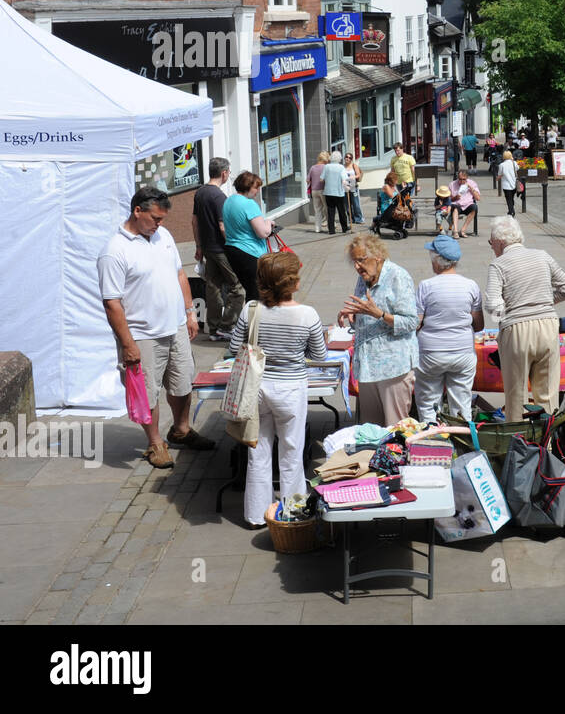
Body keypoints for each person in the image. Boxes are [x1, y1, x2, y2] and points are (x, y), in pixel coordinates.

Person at [98, 186, 213, 470]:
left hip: (174, 326)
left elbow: (179, 273)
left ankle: (181, 430)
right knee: (147, 392)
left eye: (162, 219)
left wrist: (190, 312)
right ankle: (155, 443)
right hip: (142, 334)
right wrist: (127, 343)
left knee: (182, 381)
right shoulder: (114, 251)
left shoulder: (163, 236)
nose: (159, 224)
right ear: (138, 211)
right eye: (155, 219)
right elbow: (112, 303)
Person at [228, 251, 326, 529]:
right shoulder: (307, 314)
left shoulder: (251, 310)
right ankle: (292, 511)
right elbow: (318, 355)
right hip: (290, 388)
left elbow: (235, 348)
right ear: (293, 282)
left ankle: (256, 514)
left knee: (257, 451)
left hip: (257, 388)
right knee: (291, 451)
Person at [484, 216, 565, 421]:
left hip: (516, 329)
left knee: (516, 395)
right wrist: (544, 302)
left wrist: (507, 313)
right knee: (547, 395)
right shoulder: (542, 256)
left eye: (491, 243)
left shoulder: (498, 264)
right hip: (547, 326)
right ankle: (547, 444)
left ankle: (519, 445)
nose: (492, 248)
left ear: (499, 242)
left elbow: (492, 305)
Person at [339, 234, 419, 426]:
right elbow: (364, 312)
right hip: (367, 366)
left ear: (378, 256)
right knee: (370, 430)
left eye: (361, 260)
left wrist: (380, 314)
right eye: (354, 262)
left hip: (393, 367)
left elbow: (411, 322)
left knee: (395, 429)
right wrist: (352, 315)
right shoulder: (365, 278)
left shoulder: (398, 276)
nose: (357, 267)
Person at [414, 235, 483, 420]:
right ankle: (463, 442)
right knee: (462, 404)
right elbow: (479, 325)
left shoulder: (425, 286)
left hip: (430, 353)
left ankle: (432, 442)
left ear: (436, 259)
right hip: (462, 352)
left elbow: (416, 323)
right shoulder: (471, 286)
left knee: (428, 403)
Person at [192, 157, 244, 341]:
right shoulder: (219, 197)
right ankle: (227, 325)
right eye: (228, 172)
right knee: (238, 288)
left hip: (207, 247)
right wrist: (233, 246)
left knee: (212, 287)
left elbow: (195, 221)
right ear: (223, 173)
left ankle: (213, 329)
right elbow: (223, 227)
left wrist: (198, 245)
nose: (228, 175)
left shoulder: (200, 193)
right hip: (221, 249)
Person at [222, 172, 274, 302]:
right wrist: (268, 223)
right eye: (256, 187)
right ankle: (253, 321)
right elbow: (263, 232)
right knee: (257, 294)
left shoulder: (229, 200)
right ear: (247, 186)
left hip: (233, 250)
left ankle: (250, 320)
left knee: (249, 290)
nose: (257, 191)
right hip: (250, 252)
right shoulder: (249, 204)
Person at [372, 172, 409, 240]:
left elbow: (399, 196)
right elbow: (392, 196)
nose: (397, 181)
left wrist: (403, 188)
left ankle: (402, 226)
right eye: (396, 180)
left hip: (393, 206)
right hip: (387, 208)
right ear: (391, 180)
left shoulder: (394, 186)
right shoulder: (386, 186)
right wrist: (400, 190)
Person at [322, 151, 350, 235]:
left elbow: (321, 178)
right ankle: (344, 228)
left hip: (328, 192)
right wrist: (347, 187)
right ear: (339, 158)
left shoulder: (326, 166)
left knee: (330, 211)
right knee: (341, 211)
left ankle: (331, 230)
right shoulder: (341, 167)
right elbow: (344, 179)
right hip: (339, 192)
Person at [450, 167, 481, 239]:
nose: (461, 181)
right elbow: (448, 199)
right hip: (457, 204)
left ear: (467, 178)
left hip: (468, 204)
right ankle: (455, 231)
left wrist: (470, 188)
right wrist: (455, 198)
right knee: (455, 209)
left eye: (464, 179)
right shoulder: (452, 184)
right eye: (460, 179)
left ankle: (463, 230)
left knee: (474, 207)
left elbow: (478, 198)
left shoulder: (472, 183)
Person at [307, 151, 329, 233]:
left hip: (314, 190)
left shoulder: (313, 167)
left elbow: (307, 180)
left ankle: (317, 228)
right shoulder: (326, 167)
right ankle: (330, 224)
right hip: (323, 190)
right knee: (327, 208)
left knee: (317, 210)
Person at [345, 152, 366, 225]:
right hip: (346, 188)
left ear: (351, 159)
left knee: (356, 204)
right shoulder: (343, 167)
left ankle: (359, 218)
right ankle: (351, 219)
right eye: (346, 157)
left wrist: (352, 177)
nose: (347, 158)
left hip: (354, 187)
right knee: (347, 205)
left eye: (349, 158)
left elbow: (358, 175)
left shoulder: (354, 166)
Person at [498, 149, 520, 217]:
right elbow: (517, 168)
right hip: (513, 184)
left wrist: (498, 178)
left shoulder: (502, 165)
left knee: (508, 199)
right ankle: (511, 210)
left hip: (506, 185)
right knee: (511, 198)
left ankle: (511, 211)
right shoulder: (514, 163)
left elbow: (500, 174)